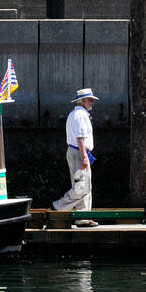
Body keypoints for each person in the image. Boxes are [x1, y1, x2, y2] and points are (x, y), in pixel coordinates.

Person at [51, 88, 99, 224]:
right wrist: (84, 155)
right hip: (78, 152)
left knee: (85, 185)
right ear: (82, 101)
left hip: (77, 151)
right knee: (81, 186)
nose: (92, 102)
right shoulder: (80, 115)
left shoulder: (75, 113)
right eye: (90, 100)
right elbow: (80, 137)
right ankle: (59, 206)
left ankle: (83, 217)